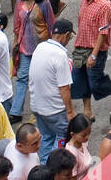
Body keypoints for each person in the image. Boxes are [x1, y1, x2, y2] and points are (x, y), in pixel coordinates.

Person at [28, 19, 77, 163]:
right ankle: (53, 168)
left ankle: (44, 167)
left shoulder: (41, 47)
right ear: (66, 35)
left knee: (46, 138)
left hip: (37, 106)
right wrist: (70, 112)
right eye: (70, 37)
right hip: (54, 110)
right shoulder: (60, 55)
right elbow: (64, 87)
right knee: (63, 137)